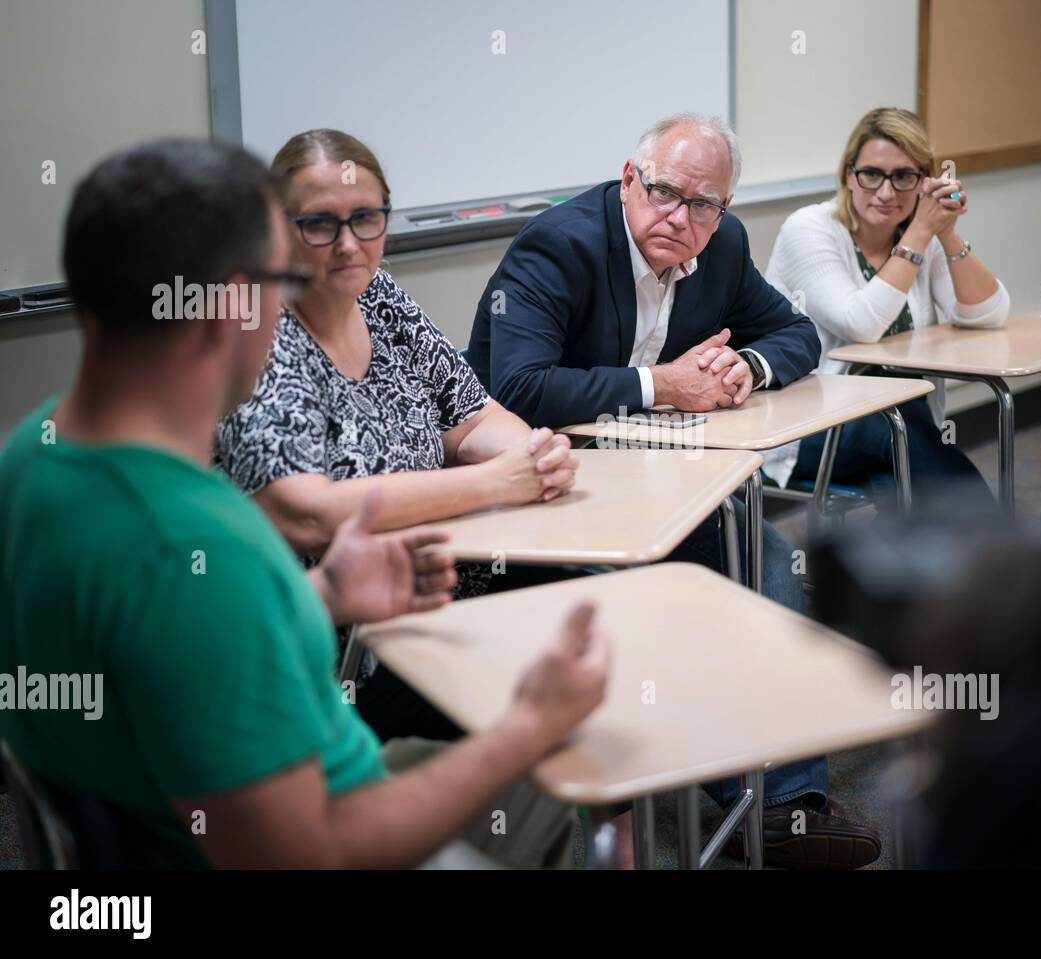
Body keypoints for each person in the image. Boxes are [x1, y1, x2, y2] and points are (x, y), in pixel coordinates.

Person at [0, 138, 609, 868]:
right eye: (280, 277)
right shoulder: (201, 549)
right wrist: (529, 726)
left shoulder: (29, 456)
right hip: (306, 824)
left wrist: (317, 594)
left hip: (137, 845)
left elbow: (172, 657)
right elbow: (311, 850)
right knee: (542, 782)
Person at [468, 112, 878, 869]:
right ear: (630, 180)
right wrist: (663, 385)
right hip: (552, 483)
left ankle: (788, 802)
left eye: (703, 205)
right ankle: (737, 786)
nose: (680, 218)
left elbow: (796, 334)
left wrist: (746, 366)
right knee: (664, 591)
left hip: (660, 475)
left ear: (723, 208)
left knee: (766, 554)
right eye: (665, 193)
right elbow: (516, 385)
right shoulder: (558, 245)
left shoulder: (723, 245)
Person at [215, 129, 582, 743]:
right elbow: (308, 515)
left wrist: (531, 456)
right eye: (319, 224)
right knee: (540, 682)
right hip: (335, 642)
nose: (348, 244)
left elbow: (473, 416)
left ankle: (643, 808)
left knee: (596, 615)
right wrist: (494, 482)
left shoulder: (378, 295)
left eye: (366, 218)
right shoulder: (257, 332)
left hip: (439, 581)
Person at [765, 108, 1009, 506]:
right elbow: (861, 323)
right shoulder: (808, 229)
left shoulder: (922, 236)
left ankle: (956, 540)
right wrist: (921, 231)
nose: (886, 192)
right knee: (894, 430)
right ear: (848, 175)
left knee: (902, 487)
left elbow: (987, 314)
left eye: (903, 177)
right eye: (871, 174)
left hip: (901, 425)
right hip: (807, 424)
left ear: (923, 182)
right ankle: (998, 535)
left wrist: (947, 234)